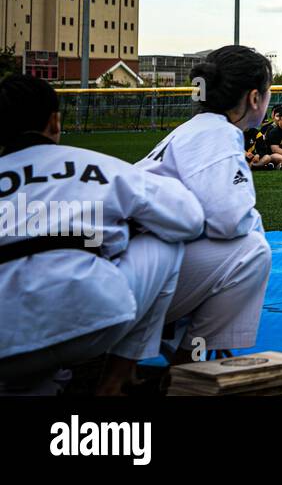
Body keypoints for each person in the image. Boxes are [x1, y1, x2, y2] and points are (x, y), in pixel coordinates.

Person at [0, 75, 204, 395]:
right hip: (97, 320)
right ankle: (118, 379)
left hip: (7, 345)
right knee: (161, 242)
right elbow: (189, 220)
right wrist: (116, 235)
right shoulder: (95, 165)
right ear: (54, 121)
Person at [137, 44, 274, 364]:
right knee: (252, 247)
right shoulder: (218, 134)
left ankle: (193, 342)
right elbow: (229, 221)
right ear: (255, 98)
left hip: (122, 268)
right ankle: (189, 360)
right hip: (132, 282)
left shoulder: (194, 130)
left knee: (248, 228)